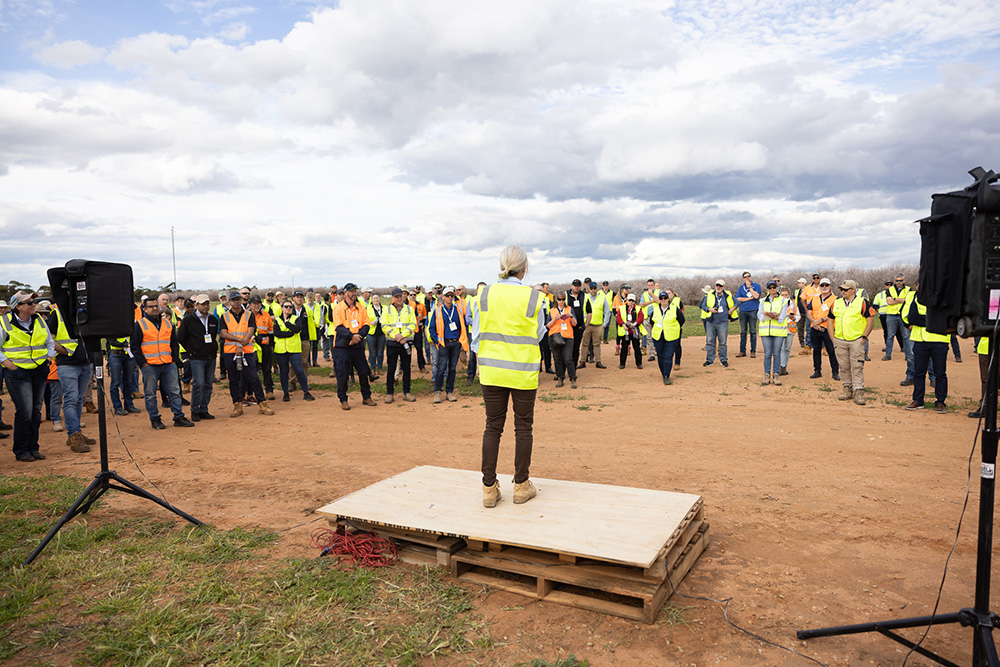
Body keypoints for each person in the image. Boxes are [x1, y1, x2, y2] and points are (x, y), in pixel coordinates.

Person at [473, 245, 545, 508]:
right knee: (523, 428)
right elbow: (537, 334)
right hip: (523, 372)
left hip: (492, 370)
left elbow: (476, 336)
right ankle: (521, 485)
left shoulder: (484, 294)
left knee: (493, 426)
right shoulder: (534, 298)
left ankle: (489, 489)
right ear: (525, 269)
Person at [1, 291, 56, 461]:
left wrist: (48, 357)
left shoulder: (39, 320)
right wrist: (7, 364)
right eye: (29, 303)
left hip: (39, 371)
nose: (34, 304)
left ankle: (33, 448)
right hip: (18, 373)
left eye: (33, 301)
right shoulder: (4, 323)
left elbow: (49, 342)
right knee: (24, 411)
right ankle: (22, 450)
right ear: (17, 306)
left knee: (36, 411)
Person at [132, 297, 195, 429]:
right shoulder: (140, 324)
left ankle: (179, 417)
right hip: (150, 365)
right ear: (144, 309)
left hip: (168, 364)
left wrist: (173, 361)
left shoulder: (167, 323)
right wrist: (143, 363)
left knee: (175, 392)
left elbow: (174, 343)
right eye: (151, 306)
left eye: (156, 306)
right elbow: (135, 346)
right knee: (150, 394)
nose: (155, 308)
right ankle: (155, 419)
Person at [47, 301, 95, 452]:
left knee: (79, 399)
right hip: (67, 364)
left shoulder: (88, 312)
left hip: (86, 363)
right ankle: (74, 435)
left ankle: (76, 433)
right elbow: (50, 340)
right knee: (71, 399)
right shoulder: (57, 314)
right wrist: (66, 351)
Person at [220, 291, 274, 418]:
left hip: (247, 351)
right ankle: (237, 405)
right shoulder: (225, 316)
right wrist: (240, 341)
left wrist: (243, 343)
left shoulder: (248, 314)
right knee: (233, 379)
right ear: (229, 302)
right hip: (230, 351)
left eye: (238, 299)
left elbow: (251, 330)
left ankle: (262, 403)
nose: (236, 302)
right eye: (233, 300)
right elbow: (223, 333)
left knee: (253, 378)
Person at [826, 279, 876, 404]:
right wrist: (832, 337)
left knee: (857, 366)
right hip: (840, 340)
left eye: (846, 289)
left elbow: (870, 319)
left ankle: (859, 391)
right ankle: (847, 389)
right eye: (841, 289)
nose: (843, 291)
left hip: (856, 340)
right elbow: (830, 319)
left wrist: (863, 337)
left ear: (853, 290)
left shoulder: (862, 302)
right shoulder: (836, 303)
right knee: (843, 366)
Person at [903, 285, 949, 413]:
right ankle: (918, 400)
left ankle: (940, 402)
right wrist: (932, 321)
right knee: (919, 372)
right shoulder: (916, 298)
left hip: (940, 340)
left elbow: (946, 318)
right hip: (920, 341)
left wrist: (922, 320)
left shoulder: (944, 297)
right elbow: (911, 318)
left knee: (940, 373)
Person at [332, 283, 377, 410]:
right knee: (343, 373)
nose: (353, 293)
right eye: (351, 291)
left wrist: (358, 337)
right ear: (345, 293)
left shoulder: (361, 308)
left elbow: (367, 325)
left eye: (355, 291)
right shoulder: (338, 308)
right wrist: (351, 337)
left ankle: (366, 397)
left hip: (357, 345)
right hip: (343, 346)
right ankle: (343, 399)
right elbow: (338, 326)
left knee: (363, 371)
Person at [176, 294, 219, 421]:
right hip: (196, 357)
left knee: (208, 384)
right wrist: (191, 349)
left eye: (207, 304)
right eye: (203, 304)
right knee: (198, 383)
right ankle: (194, 410)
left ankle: (203, 409)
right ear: (197, 305)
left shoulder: (212, 319)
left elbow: (213, 335)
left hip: (210, 356)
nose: (206, 306)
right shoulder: (188, 320)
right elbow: (180, 337)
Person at [428, 286, 468, 403]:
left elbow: (463, 326)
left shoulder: (458, 311)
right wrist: (437, 342)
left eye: (452, 296)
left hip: (455, 344)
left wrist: (461, 341)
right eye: (447, 296)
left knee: (452, 369)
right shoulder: (438, 311)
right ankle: (437, 392)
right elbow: (432, 328)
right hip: (443, 344)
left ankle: (449, 392)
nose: (450, 298)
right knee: (441, 369)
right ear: (443, 297)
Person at [272, 299, 316, 402]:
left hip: (294, 349)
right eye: (286, 306)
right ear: (282, 308)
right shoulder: (277, 320)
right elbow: (277, 333)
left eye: (290, 307)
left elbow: (297, 329)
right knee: (284, 371)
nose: (288, 309)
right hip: (281, 350)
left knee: (299, 370)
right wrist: (289, 333)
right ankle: (285, 393)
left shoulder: (296, 318)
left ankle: (306, 392)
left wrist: (287, 325)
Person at [380, 287, 417, 403]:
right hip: (392, 343)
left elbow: (413, 325)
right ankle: (390, 393)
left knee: (406, 369)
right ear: (392, 298)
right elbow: (384, 326)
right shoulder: (387, 310)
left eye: (400, 296)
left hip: (406, 343)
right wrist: (396, 336)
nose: (399, 298)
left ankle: (407, 393)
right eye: (396, 297)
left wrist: (402, 335)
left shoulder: (410, 309)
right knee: (391, 369)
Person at [884, 274, 915, 386]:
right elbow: (888, 301)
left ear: (904, 280)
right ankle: (888, 354)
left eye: (900, 280)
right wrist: (901, 300)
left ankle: (908, 355)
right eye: (897, 280)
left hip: (903, 315)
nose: (898, 282)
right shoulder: (890, 289)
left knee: (906, 336)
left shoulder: (908, 289)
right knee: (890, 335)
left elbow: (908, 301)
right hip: (891, 315)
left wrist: (895, 299)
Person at [807, 278, 840, 381]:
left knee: (831, 351)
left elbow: (835, 313)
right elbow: (809, 311)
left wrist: (820, 320)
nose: (824, 287)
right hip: (815, 328)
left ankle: (835, 372)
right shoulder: (815, 298)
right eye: (822, 285)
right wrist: (813, 321)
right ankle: (817, 371)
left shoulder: (836, 299)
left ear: (830, 286)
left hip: (828, 328)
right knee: (816, 350)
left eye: (826, 285)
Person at [757, 280, 789, 386]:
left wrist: (773, 316)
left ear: (777, 288)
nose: (772, 290)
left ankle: (776, 375)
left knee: (776, 354)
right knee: (767, 354)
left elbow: (782, 317)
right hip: (765, 331)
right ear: (767, 289)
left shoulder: (784, 301)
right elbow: (760, 316)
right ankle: (767, 375)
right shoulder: (762, 301)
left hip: (778, 332)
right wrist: (766, 315)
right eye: (770, 288)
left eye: (774, 287)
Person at [647, 290, 682, 385]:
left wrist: (673, 328)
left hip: (671, 336)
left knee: (668, 355)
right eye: (661, 298)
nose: (663, 300)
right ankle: (663, 373)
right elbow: (651, 321)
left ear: (668, 299)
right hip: (658, 336)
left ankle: (667, 375)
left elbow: (681, 320)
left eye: (665, 298)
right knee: (660, 355)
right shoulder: (656, 309)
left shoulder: (674, 309)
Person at [700, 280, 737, 367]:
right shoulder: (709, 294)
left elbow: (737, 302)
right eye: (717, 285)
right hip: (711, 322)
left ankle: (723, 360)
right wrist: (710, 309)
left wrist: (732, 309)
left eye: (720, 286)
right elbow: (703, 306)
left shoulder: (727, 295)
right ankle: (710, 360)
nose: (718, 287)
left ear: (724, 287)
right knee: (710, 342)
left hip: (723, 322)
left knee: (723, 342)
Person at [548, 291, 577, 388]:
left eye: (563, 299)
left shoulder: (569, 309)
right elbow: (548, 325)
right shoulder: (552, 311)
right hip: (555, 337)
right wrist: (555, 319)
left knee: (568, 359)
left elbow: (575, 324)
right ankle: (560, 378)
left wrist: (571, 316)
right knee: (557, 359)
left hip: (568, 336)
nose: (561, 301)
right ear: (556, 300)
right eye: (559, 299)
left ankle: (573, 378)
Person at [578, 282, 610, 370]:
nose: (593, 290)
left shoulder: (602, 298)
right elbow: (581, 310)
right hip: (587, 325)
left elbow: (607, 312)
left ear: (597, 289)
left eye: (594, 288)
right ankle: (582, 361)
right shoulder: (585, 297)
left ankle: (598, 361)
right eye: (591, 288)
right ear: (588, 289)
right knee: (584, 343)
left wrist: (604, 324)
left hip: (598, 325)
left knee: (597, 344)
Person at [735, 271, 761, 358]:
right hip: (742, 311)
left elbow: (756, 296)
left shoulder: (756, 286)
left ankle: (753, 351)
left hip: (753, 310)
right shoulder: (741, 287)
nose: (747, 278)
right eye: (745, 277)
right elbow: (738, 299)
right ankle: (742, 351)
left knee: (753, 331)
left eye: (748, 276)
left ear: (751, 277)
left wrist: (750, 288)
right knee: (743, 332)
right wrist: (750, 298)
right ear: (743, 278)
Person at [616, 293, 643, 369]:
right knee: (624, 348)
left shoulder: (638, 308)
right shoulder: (622, 308)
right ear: (627, 300)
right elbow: (618, 318)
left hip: (634, 331)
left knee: (637, 348)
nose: (630, 302)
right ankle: (622, 363)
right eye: (629, 300)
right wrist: (623, 324)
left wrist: (635, 324)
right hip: (626, 331)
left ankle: (639, 363)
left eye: (632, 300)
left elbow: (641, 317)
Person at [777, 285, 798, 376]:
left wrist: (793, 317)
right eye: (782, 295)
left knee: (787, 348)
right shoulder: (777, 304)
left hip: (790, 329)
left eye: (786, 295)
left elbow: (798, 316)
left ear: (789, 295)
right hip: (780, 329)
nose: (785, 296)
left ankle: (785, 366)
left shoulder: (794, 305)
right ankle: (781, 366)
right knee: (781, 348)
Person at [366, 293, 386, 380]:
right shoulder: (368, 308)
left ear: (379, 299)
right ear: (372, 300)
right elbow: (365, 320)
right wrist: (371, 323)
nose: (376, 300)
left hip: (381, 332)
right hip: (371, 333)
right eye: (374, 298)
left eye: (377, 298)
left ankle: (380, 368)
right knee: (372, 352)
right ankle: (373, 368)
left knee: (380, 352)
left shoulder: (384, 308)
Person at [566, 279, 586, 368]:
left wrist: (585, 324)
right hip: (567, 328)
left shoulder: (584, 296)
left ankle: (573, 368)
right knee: (566, 349)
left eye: (578, 285)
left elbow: (589, 312)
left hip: (579, 328)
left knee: (575, 348)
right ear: (571, 286)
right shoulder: (566, 295)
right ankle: (564, 369)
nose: (576, 287)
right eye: (575, 285)